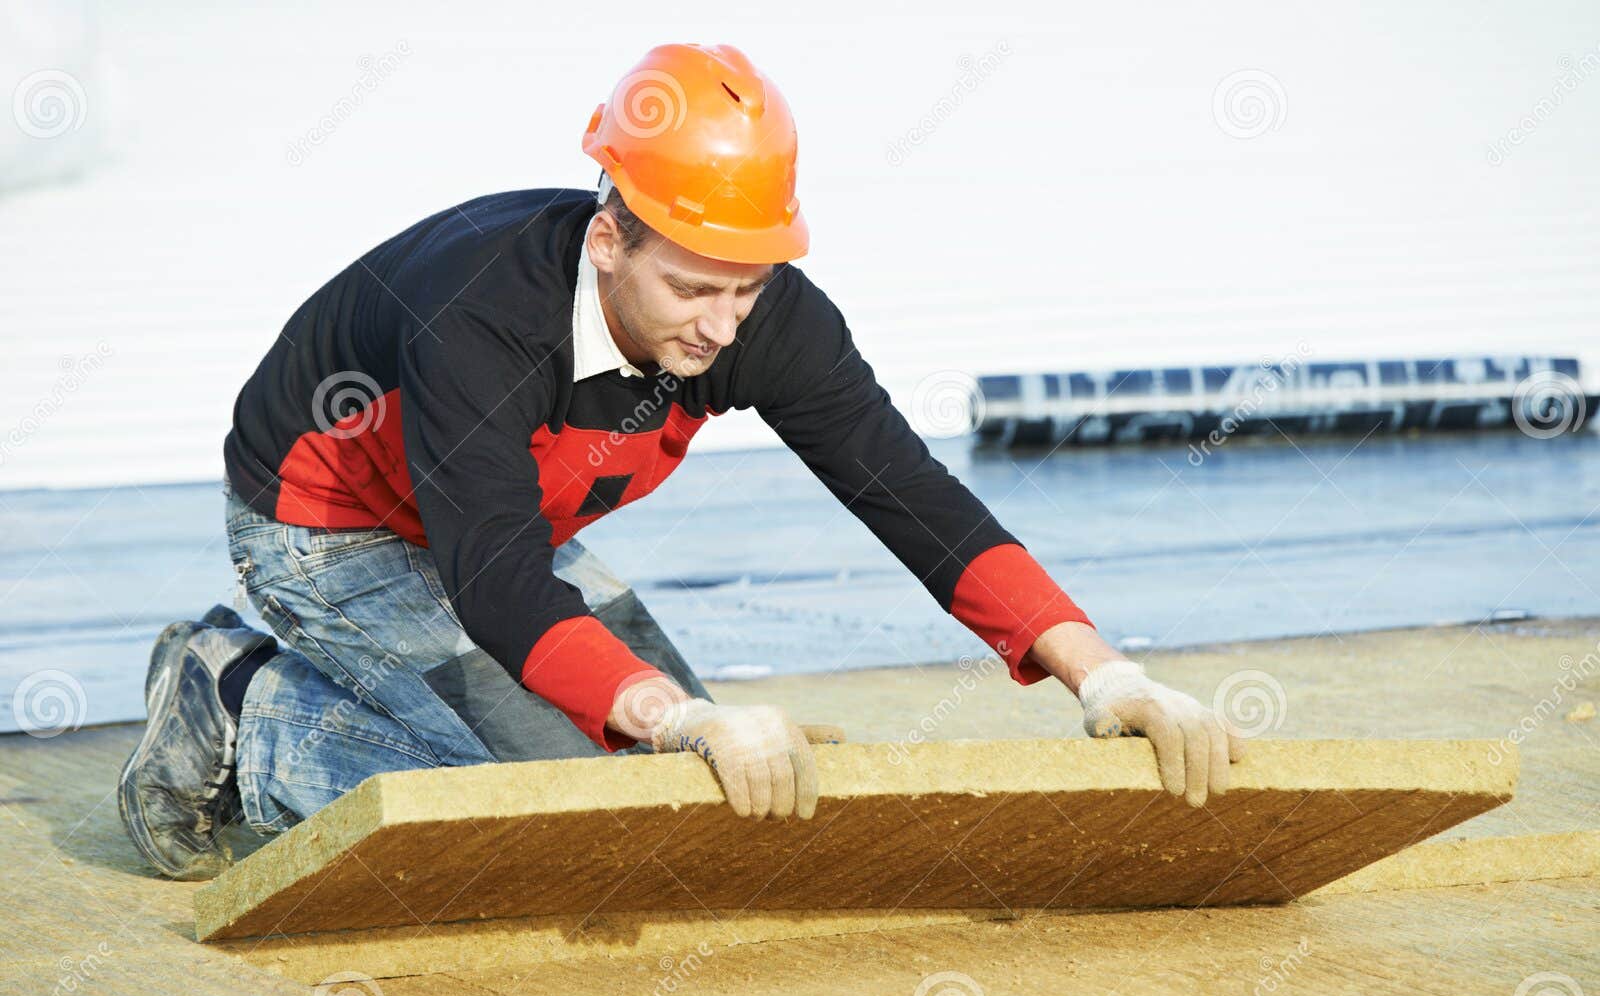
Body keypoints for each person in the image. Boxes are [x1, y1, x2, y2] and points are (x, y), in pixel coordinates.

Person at [118, 43, 1243, 881]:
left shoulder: (758, 312)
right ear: (609, 239)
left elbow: (912, 496)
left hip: (497, 521)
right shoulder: (479, 313)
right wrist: (676, 714)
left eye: (748, 286)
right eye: (694, 287)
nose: (722, 326)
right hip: (328, 524)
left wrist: (1111, 676)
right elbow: (497, 582)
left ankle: (367, 708)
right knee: (550, 826)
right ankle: (242, 698)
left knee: (686, 804)